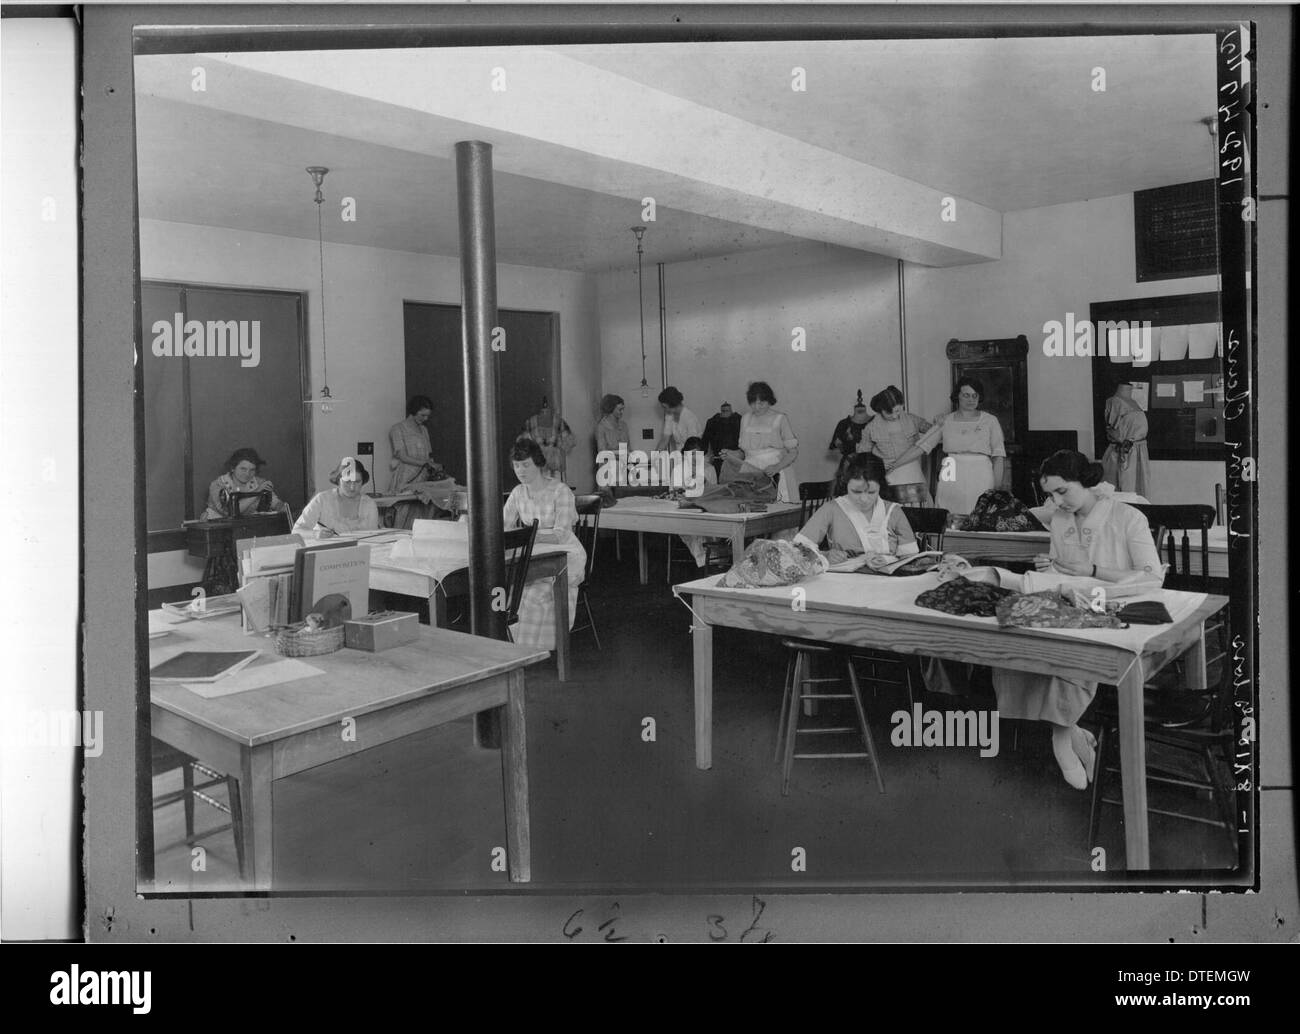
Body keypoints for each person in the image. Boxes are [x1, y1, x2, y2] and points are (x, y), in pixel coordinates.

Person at [991, 450, 1163, 790]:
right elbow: (1062, 569)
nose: (1056, 501)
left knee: (1067, 651)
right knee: (1014, 641)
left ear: (1086, 482)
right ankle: (1072, 731)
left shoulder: (1126, 517)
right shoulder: (1060, 518)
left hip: (1117, 604)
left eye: (1062, 491)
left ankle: (1060, 738)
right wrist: (1050, 568)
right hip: (1070, 601)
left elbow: (1152, 577)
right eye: (1050, 495)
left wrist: (1095, 571)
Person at [503, 438, 587, 650]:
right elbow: (503, 526)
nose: (520, 471)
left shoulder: (560, 490)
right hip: (535, 552)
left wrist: (529, 536)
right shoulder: (517, 493)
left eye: (526, 465)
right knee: (512, 591)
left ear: (538, 463)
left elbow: (561, 533)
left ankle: (535, 649)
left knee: (533, 593)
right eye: (516, 466)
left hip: (565, 552)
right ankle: (519, 648)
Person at [891, 376, 1006, 515]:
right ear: (957, 396)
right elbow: (920, 447)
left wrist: (997, 488)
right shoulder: (945, 421)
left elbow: (998, 456)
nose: (971, 399)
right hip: (951, 469)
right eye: (966, 395)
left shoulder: (990, 421)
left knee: (979, 513)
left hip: (980, 471)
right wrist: (893, 465)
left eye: (975, 396)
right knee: (949, 511)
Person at [794, 453, 918, 563]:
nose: (864, 499)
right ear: (845, 484)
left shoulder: (894, 511)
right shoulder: (832, 509)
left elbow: (909, 557)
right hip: (844, 582)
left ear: (880, 486)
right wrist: (825, 555)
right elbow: (798, 548)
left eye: (871, 492)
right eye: (856, 492)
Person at [719, 381, 800, 503]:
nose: (757, 407)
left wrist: (776, 467)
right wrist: (730, 454)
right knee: (750, 506)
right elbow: (743, 453)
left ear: (769, 401)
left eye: (761, 403)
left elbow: (793, 452)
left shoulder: (780, 419)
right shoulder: (745, 419)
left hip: (774, 471)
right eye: (753, 403)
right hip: (749, 471)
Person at [863, 385, 934, 506]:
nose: (894, 416)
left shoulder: (912, 420)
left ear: (902, 405)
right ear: (880, 410)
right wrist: (878, 464)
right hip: (888, 476)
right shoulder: (871, 428)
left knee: (919, 510)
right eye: (888, 413)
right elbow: (863, 456)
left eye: (897, 411)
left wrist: (940, 422)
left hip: (913, 473)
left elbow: (935, 432)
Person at [293, 457, 381, 536]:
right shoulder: (322, 500)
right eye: (347, 482)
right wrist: (315, 534)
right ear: (338, 480)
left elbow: (374, 535)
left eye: (357, 482)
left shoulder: (369, 504)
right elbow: (296, 531)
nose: (352, 487)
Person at [201, 447, 290, 519]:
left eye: (252, 470)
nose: (247, 474)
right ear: (232, 468)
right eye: (243, 469)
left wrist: (282, 507)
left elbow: (275, 502)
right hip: (217, 526)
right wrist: (257, 492)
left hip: (244, 526)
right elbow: (230, 512)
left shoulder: (259, 482)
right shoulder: (218, 485)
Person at [1099, 381, 1151, 497]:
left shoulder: (1134, 402)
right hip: (1121, 454)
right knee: (1121, 489)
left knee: (1137, 489)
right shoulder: (1114, 402)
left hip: (1137, 453)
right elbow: (1113, 429)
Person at [677, 436, 719, 567]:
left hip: (706, 510)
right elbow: (675, 494)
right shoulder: (679, 469)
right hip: (685, 513)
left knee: (711, 530)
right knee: (694, 531)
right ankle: (705, 562)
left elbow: (715, 493)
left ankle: (714, 560)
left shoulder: (709, 469)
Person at [520, 396, 576, 475]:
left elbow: (569, 442)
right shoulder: (530, 423)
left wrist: (558, 448)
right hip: (536, 468)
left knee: (556, 486)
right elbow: (523, 445)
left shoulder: (559, 422)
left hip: (555, 469)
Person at [655, 386, 702, 452]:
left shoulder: (690, 418)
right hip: (680, 454)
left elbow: (692, 446)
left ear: (672, 404)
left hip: (693, 455)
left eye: (665, 407)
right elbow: (665, 439)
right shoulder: (669, 416)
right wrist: (654, 456)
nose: (664, 410)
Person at [829, 390, 872, 459]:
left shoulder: (875, 422)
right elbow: (836, 444)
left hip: (874, 467)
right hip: (849, 467)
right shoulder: (843, 424)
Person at [701, 401, 742, 470]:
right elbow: (704, 441)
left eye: (727, 410)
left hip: (736, 458)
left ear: (731, 410)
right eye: (724, 411)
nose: (725, 412)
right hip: (718, 458)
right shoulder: (712, 422)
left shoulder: (739, 420)